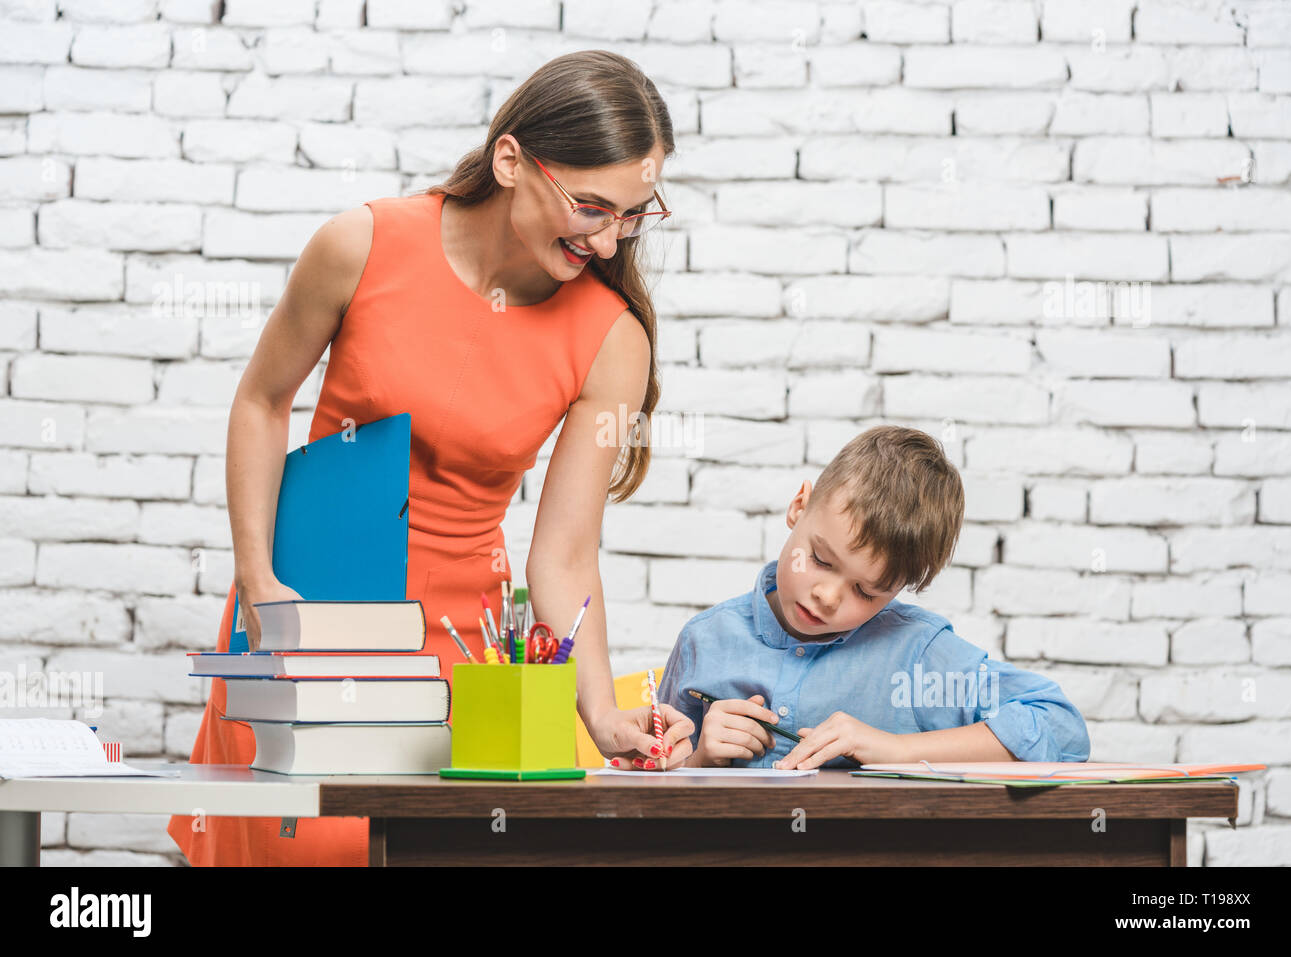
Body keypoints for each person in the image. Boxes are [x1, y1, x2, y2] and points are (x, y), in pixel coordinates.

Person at [168, 50, 694, 866]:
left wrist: (598, 711)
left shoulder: (609, 338)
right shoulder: (362, 244)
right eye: (592, 205)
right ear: (512, 160)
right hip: (310, 614)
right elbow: (262, 401)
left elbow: (563, 553)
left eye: (631, 214)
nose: (608, 237)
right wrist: (259, 581)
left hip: (458, 651)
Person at [658, 426, 1091, 770]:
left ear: (897, 590)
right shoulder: (706, 641)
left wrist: (898, 749)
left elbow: (1062, 726)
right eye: (821, 560)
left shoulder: (917, 655)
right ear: (799, 506)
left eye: (866, 591)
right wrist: (699, 760)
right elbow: (649, 786)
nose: (828, 597)